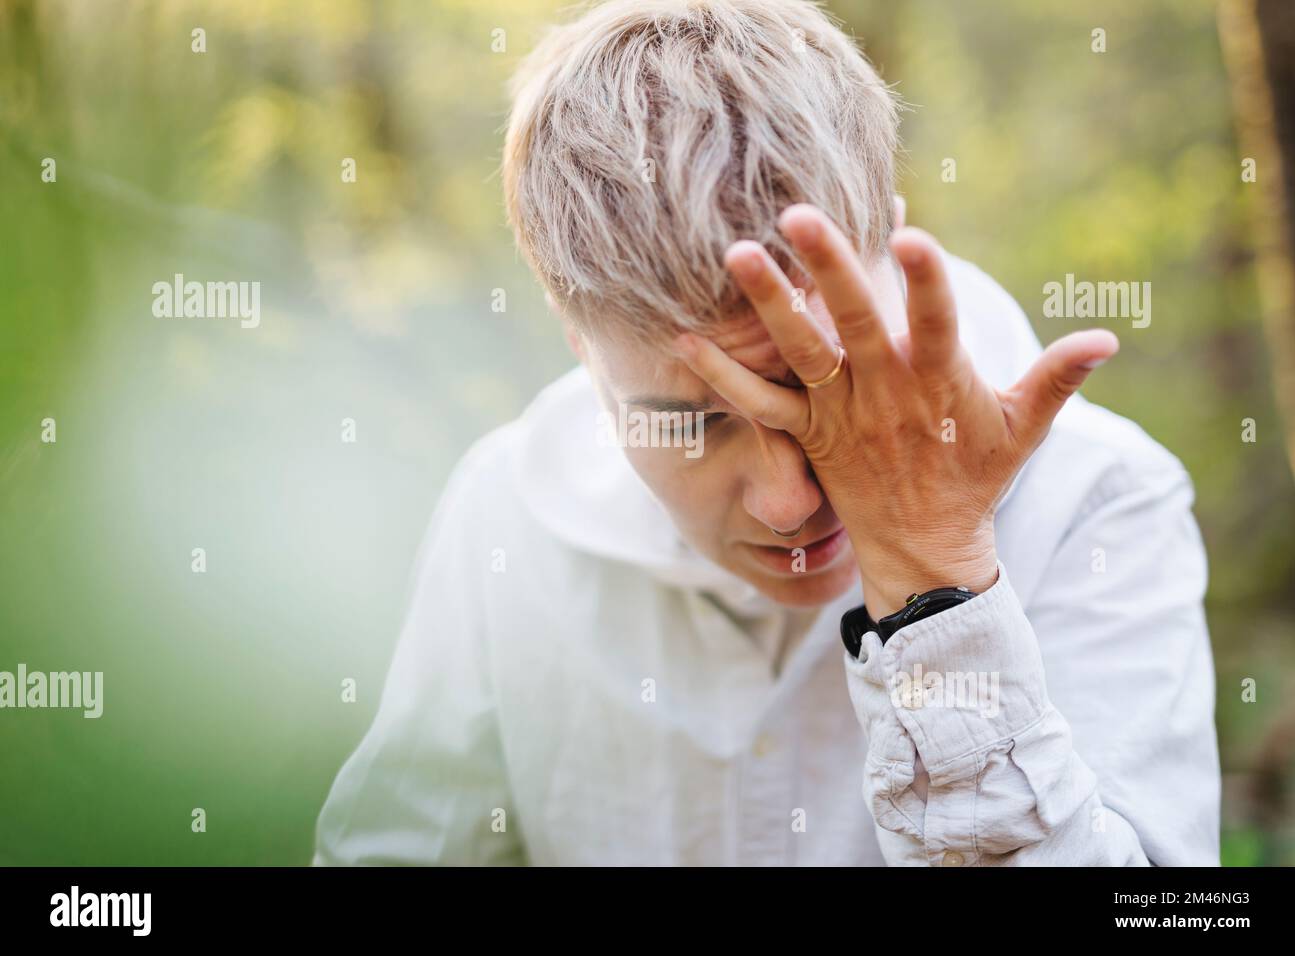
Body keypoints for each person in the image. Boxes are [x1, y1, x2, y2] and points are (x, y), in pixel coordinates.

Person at [314, 0, 1220, 866]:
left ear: (889, 245)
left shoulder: (1099, 501)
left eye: (817, 390)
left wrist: (937, 591)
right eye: (689, 423)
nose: (787, 506)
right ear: (573, 337)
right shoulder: (508, 509)